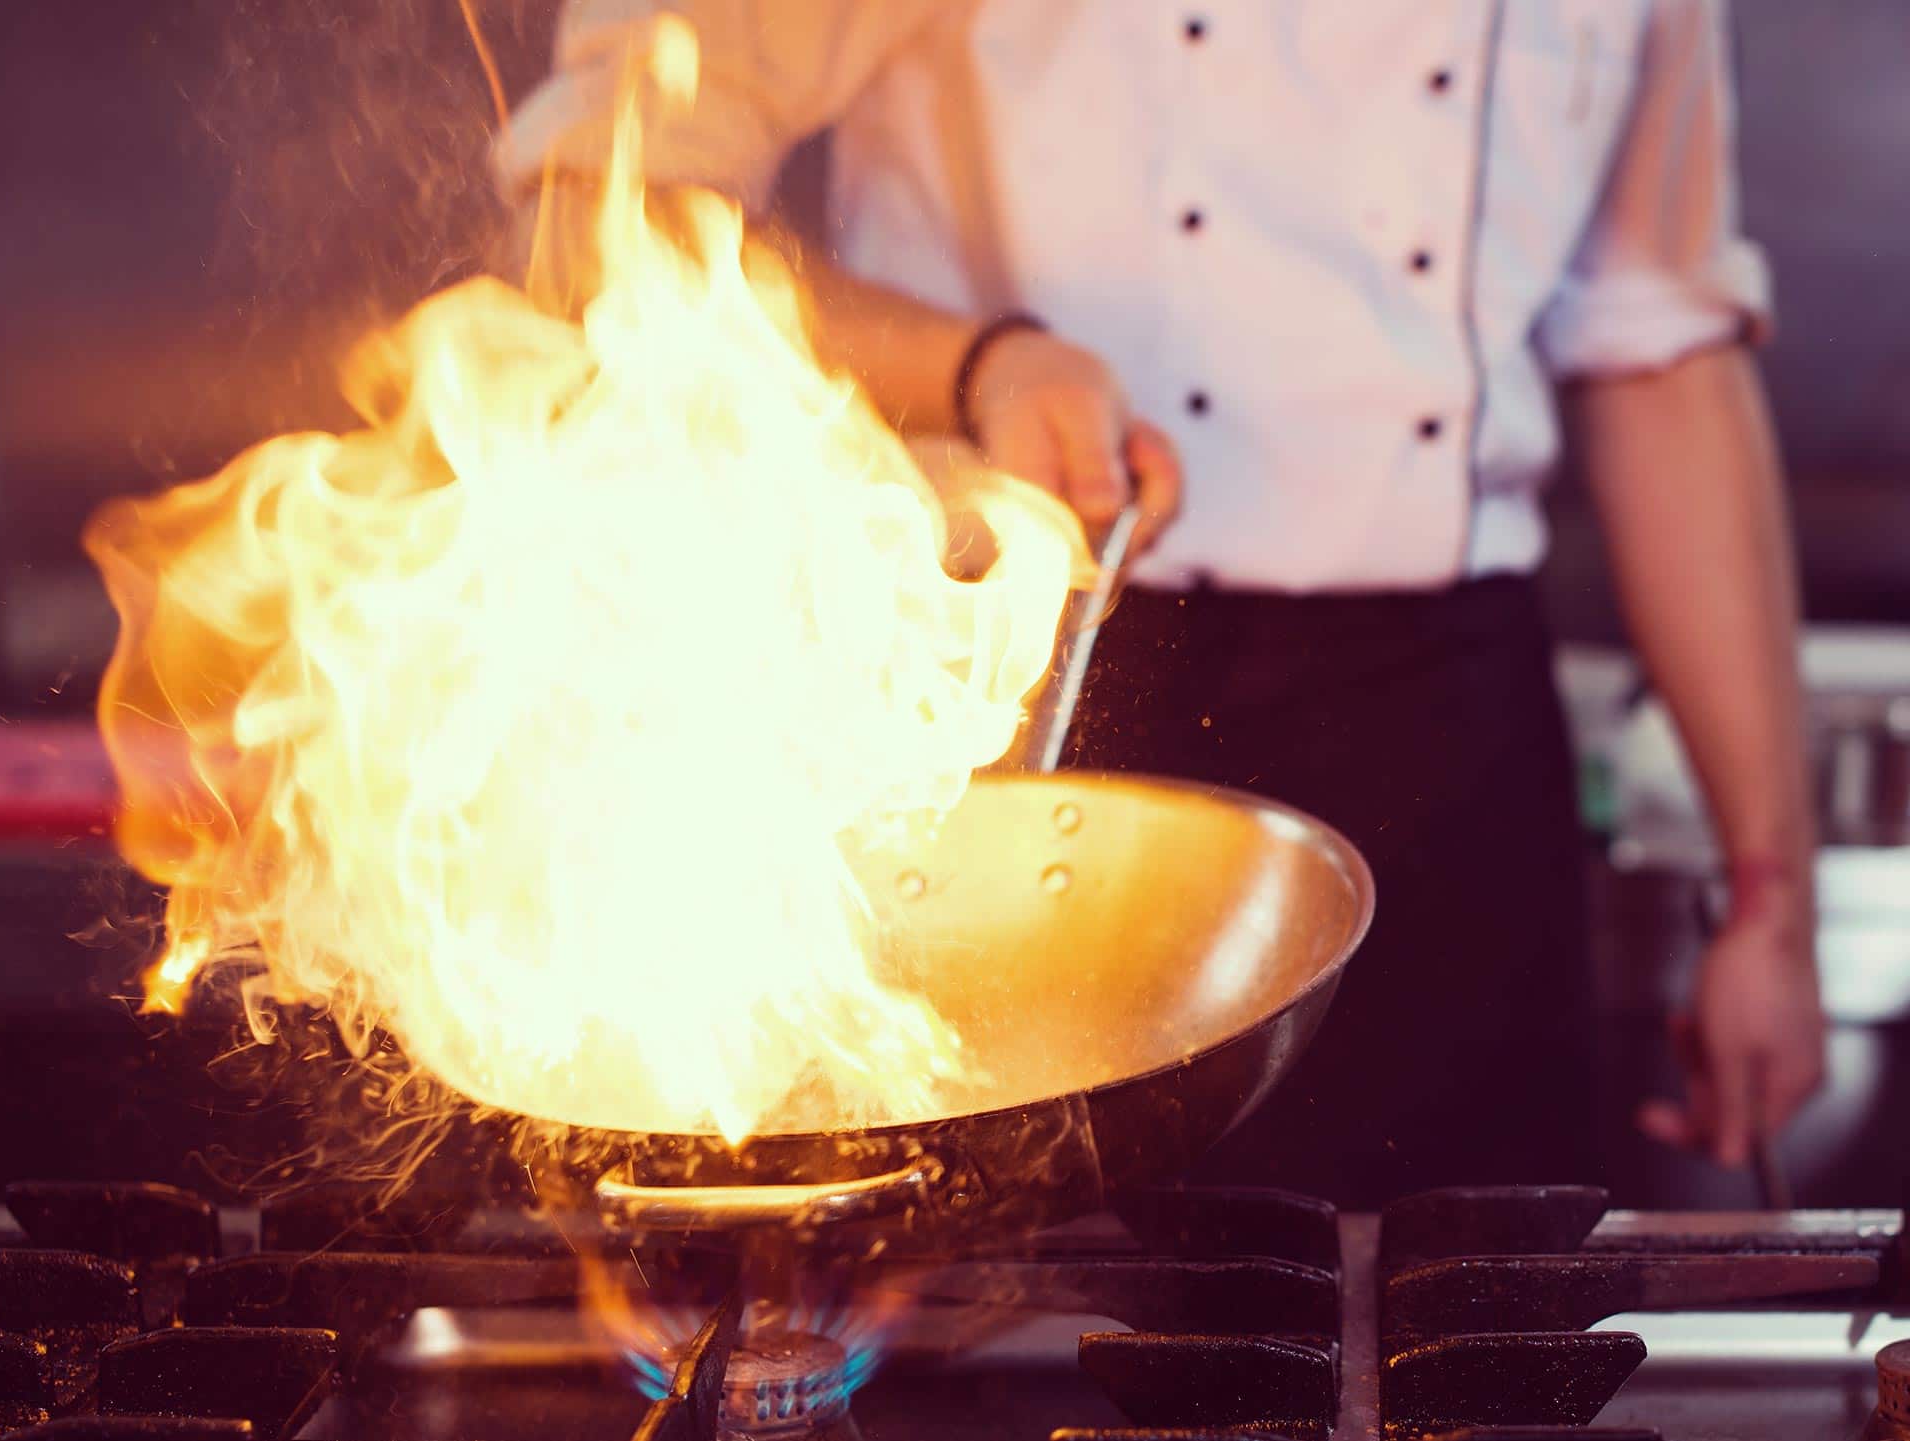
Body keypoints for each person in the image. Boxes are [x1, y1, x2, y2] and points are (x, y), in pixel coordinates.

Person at [499, 0, 1824, 1203]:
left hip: (1446, 756)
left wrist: (1772, 897)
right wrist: (975, 368)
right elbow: (598, 218)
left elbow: (1661, 350)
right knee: (1004, 1326)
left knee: (1468, 1325)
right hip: (999, 698)